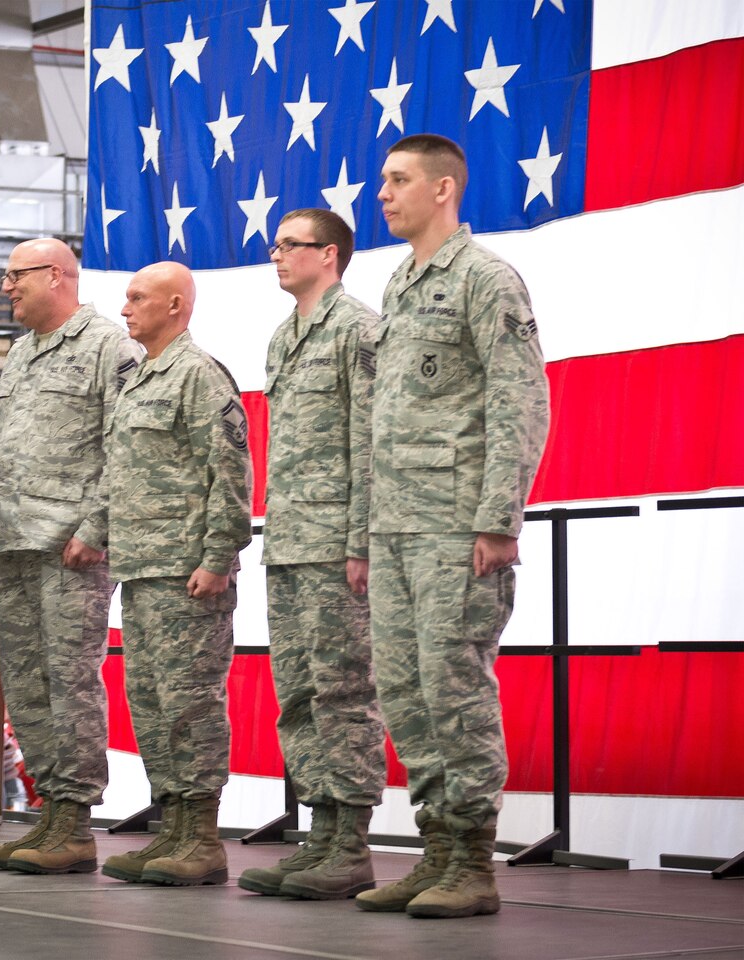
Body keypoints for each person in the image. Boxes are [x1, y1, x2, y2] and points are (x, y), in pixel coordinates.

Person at [355, 134, 550, 919]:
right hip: (397, 526)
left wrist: (499, 517)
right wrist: (368, 535)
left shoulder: (485, 279)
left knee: (455, 687)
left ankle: (473, 861)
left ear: (443, 189)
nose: (383, 193)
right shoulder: (401, 285)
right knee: (404, 692)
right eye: (382, 180)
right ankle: (437, 850)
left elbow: (519, 398)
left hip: (456, 525)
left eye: (398, 180)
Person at [0, 238, 143, 875]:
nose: (6, 287)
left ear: (57, 276)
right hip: (13, 542)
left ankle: (76, 821)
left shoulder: (107, 347)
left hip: (72, 549)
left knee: (70, 683)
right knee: (29, 686)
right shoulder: (21, 352)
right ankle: (48, 814)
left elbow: (128, 446)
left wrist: (98, 526)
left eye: (16, 277)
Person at [238, 209, 386, 901]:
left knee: (344, 689)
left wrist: (360, 541)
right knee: (297, 693)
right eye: (274, 245)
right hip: (291, 540)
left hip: (335, 545)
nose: (276, 256)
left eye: (288, 245)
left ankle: (351, 841)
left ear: (328, 255)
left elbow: (369, 440)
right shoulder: (283, 336)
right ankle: (319, 833)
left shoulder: (357, 328)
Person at [100, 261, 252, 887]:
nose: (126, 307)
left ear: (175, 306)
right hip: (141, 570)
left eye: (138, 298)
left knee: (191, 702)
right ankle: (174, 830)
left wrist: (218, 558)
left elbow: (231, 475)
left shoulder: (198, 376)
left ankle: (204, 839)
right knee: (152, 704)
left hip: (186, 572)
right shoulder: (136, 380)